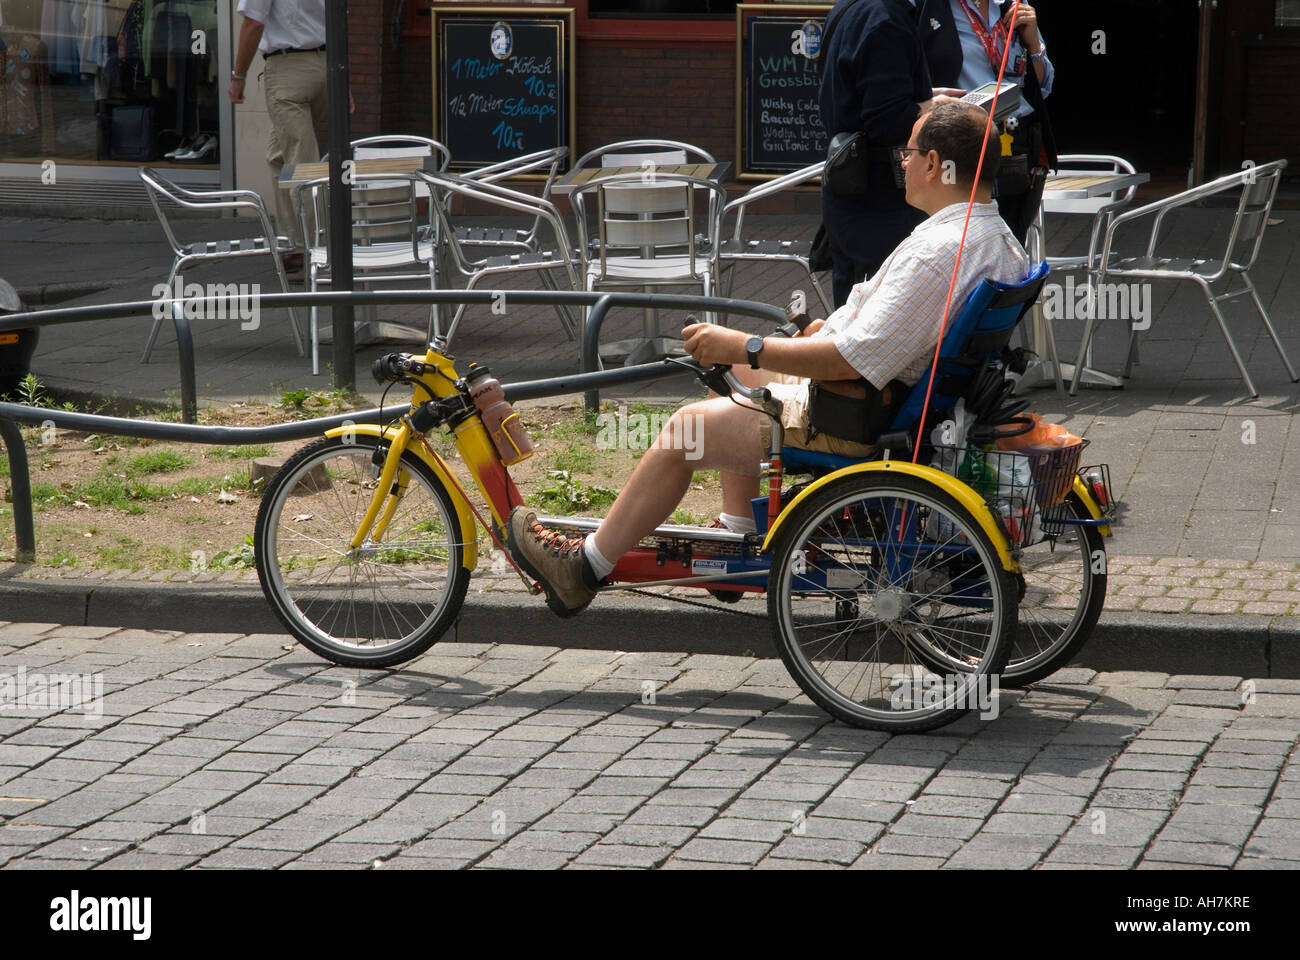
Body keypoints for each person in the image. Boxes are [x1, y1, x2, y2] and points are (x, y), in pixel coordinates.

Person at [509, 101, 1031, 618]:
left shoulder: (937, 250)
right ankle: (739, 530)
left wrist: (745, 344)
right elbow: (891, 335)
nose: (901, 161)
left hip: (859, 413)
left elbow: (853, 360)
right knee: (742, 374)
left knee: (682, 430)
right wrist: (807, 335)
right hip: (907, 400)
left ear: (939, 164)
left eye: (909, 151)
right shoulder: (1000, 239)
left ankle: (583, 568)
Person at [818, 0, 962, 308]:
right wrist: (934, 108)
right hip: (880, 204)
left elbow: (858, 95)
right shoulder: (886, 20)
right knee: (878, 321)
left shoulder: (853, 6)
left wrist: (924, 97)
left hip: (848, 196)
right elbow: (889, 121)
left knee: (851, 318)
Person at [918, 0, 1056, 244]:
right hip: (963, 141)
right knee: (963, 240)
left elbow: (1041, 89)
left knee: (1009, 239)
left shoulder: (1011, 5)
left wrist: (1034, 44)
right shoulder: (930, 8)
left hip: (1014, 142)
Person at [228, 0, 329, 278]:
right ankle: (292, 242)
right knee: (279, 156)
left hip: (287, 70)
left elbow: (253, 23)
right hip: (324, 66)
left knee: (300, 164)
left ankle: (317, 250)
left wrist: (238, 76)